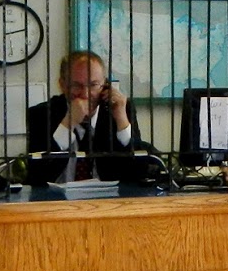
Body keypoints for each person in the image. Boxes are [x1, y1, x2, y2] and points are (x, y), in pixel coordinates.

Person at [25, 50, 141, 182]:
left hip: (109, 200)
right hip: (56, 200)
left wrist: (121, 120)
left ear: (106, 85)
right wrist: (69, 123)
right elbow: (36, 174)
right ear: (62, 85)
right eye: (76, 85)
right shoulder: (41, 114)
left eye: (93, 85)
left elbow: (140, 170)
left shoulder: (121, 110)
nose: (85, 94)